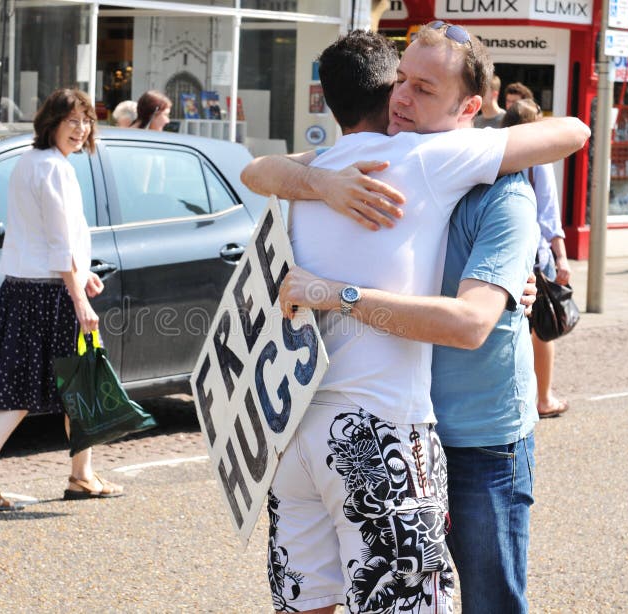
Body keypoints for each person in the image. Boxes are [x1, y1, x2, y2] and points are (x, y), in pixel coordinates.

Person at [242, 26, 588, 613]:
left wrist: (331, 270)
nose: (401, 97)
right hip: (384, 429)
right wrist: (319, 183)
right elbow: (261, 171)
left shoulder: (446, 163)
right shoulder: (384, 158)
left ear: (469, 109)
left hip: (432, 431)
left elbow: (576, 130)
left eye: (423, 88)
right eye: (399, 79)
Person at [0, 88, 124, 512]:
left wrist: (82, 278)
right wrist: (78, 296)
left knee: (73, 382)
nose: (80, 130)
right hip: (48, 294)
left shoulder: (28, 163)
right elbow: (59, 240)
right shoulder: (54, 169)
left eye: (86, 122)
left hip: (28, 287)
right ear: (50, 123)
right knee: (54, 384)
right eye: (72, 121)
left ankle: (81, 475)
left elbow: (45, 238)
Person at [504, 99, 572, 419]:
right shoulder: (538, 160)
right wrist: (562, 259)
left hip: (504, 252)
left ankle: (512, 396)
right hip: (534, 257)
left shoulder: (497, 156)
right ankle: (542, 398)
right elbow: (549, 215)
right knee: (541, 328)